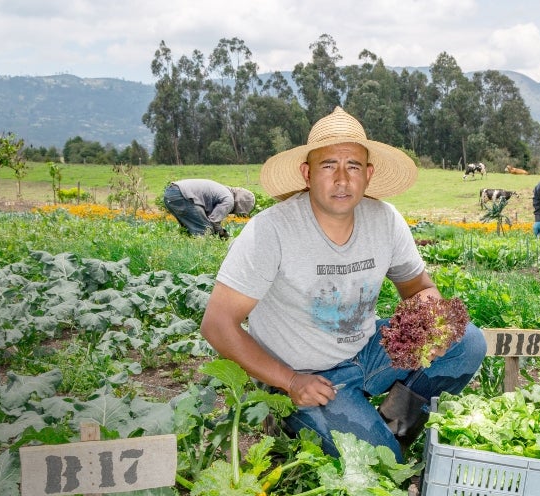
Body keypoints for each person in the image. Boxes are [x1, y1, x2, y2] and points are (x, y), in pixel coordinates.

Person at [200, 107, 486, 462]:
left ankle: (394, 425)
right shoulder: (271, 230)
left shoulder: (384, 219)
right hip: (307, 377)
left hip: (365, 353)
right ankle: (294, 417)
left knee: (467, 342)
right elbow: (217, 323)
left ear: (367, 174)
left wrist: (433, 321)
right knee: (379, 464)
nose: (342, 179)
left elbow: (418, 288)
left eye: (352, 166)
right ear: (307, 173)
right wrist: (289, 382)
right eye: (328, 165)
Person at [162, 179, 255, 238]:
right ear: (241, 204)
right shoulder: (229, 200)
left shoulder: (223, 191)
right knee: (205, 231)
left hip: (170, 193)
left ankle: (184, 248)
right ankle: (198, 255)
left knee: (187, 229)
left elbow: (208, 216)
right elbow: (214, 221)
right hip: (182, 195)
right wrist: (222, 234)